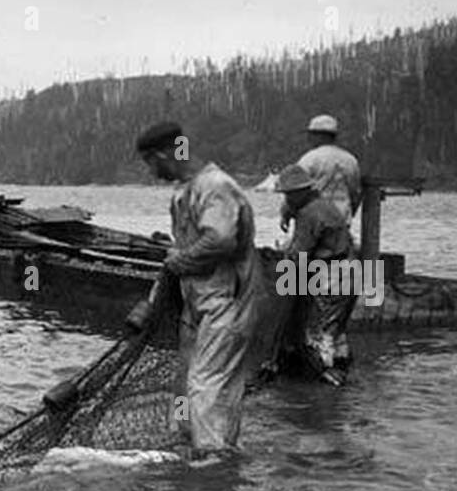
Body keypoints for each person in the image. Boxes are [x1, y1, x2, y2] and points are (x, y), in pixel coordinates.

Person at [136, 121, 260, 457]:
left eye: (150, 162)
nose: (150, 171)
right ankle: (185, 448)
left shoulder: (215, 186)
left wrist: (179, 260)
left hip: (226, 302)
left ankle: (212, 466)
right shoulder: (185, 190)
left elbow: (220, 239)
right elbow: (189, 243)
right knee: (184, 384)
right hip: (197, 303)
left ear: (165, 154)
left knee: (208, 388)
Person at [274, 164, 357, 384]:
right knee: (337, 328)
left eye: (289, 195)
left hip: (332, 275)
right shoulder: (324, 205)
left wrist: (281, 262)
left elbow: (298, 256)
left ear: (299, 193)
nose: (287, 199)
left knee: (320, 331)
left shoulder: (309, 214)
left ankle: (326, 378)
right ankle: (341, 369)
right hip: (352, 269)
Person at [282, 114, 362, 229]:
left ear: (318, 135)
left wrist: (286, 215)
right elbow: (355, 193)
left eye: (312, 134)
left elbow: (294, 191)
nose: (309, 138)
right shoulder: (350, 160)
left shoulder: (309, 159)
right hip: (342, 222)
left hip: (312, 222)